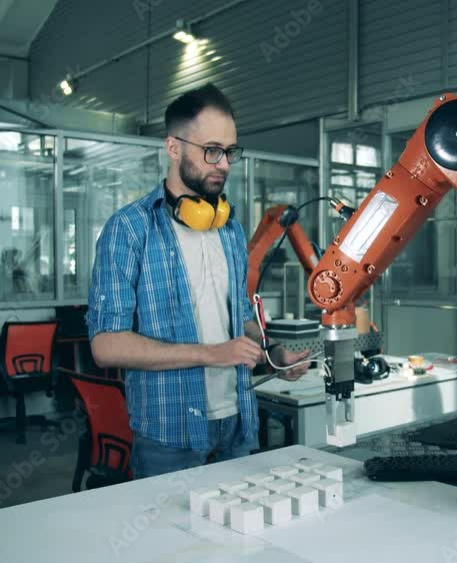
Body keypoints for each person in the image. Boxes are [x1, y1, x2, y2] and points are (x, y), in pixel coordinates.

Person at [87, 83, 311, 478]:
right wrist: (210, 354)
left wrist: (272, 353)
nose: (223, 163)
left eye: (230, 152)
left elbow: (240, 317)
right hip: (169, 435)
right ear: (174, 148)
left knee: (243, 539)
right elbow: (106, 345)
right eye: (212, 151)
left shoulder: (229, 230)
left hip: (239, 426)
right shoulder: (129, 229)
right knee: (172, 541)